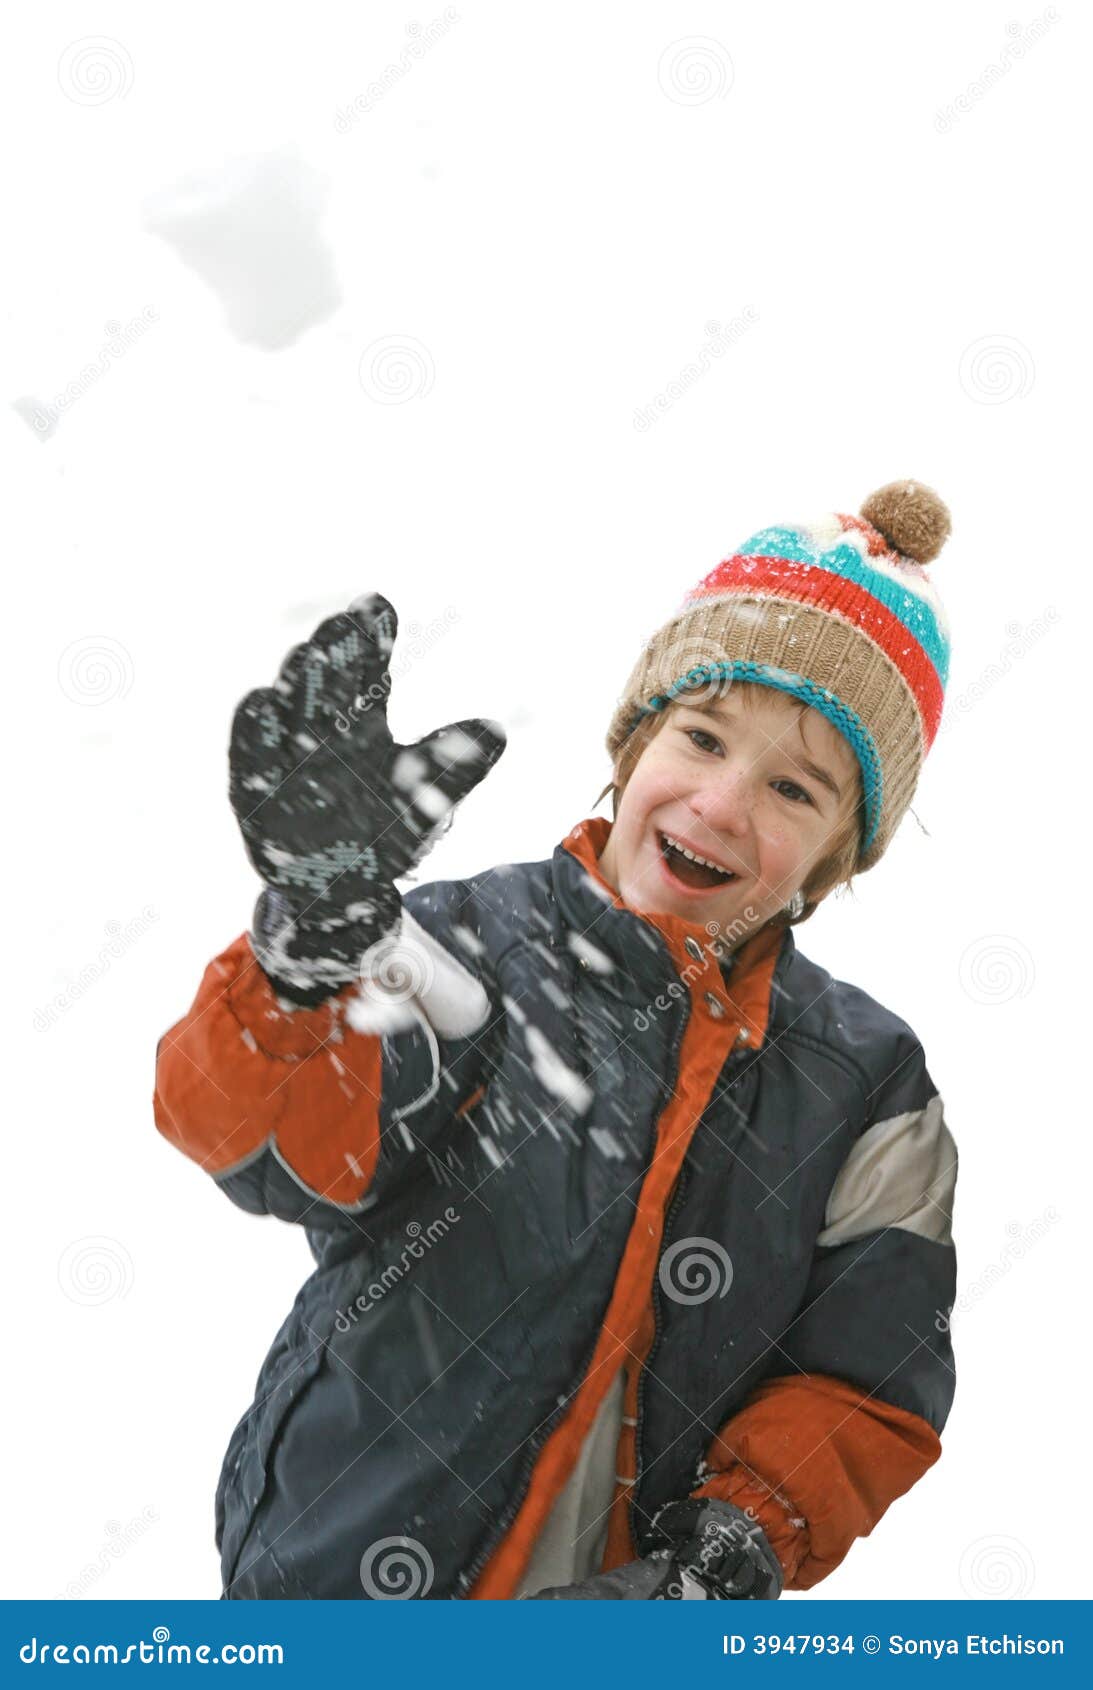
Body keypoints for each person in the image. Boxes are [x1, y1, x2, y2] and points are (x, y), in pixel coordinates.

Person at [153, 478, 958, 1601]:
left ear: (832, 859)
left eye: (792, 787)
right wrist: (305, 963)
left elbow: (868, 1376)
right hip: (342, 1583)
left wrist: (748, 1526)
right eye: (702, 735)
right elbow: (262, 1142)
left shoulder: (864, 1086)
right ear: (631, 747)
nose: (721, 802)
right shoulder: (468, 952)